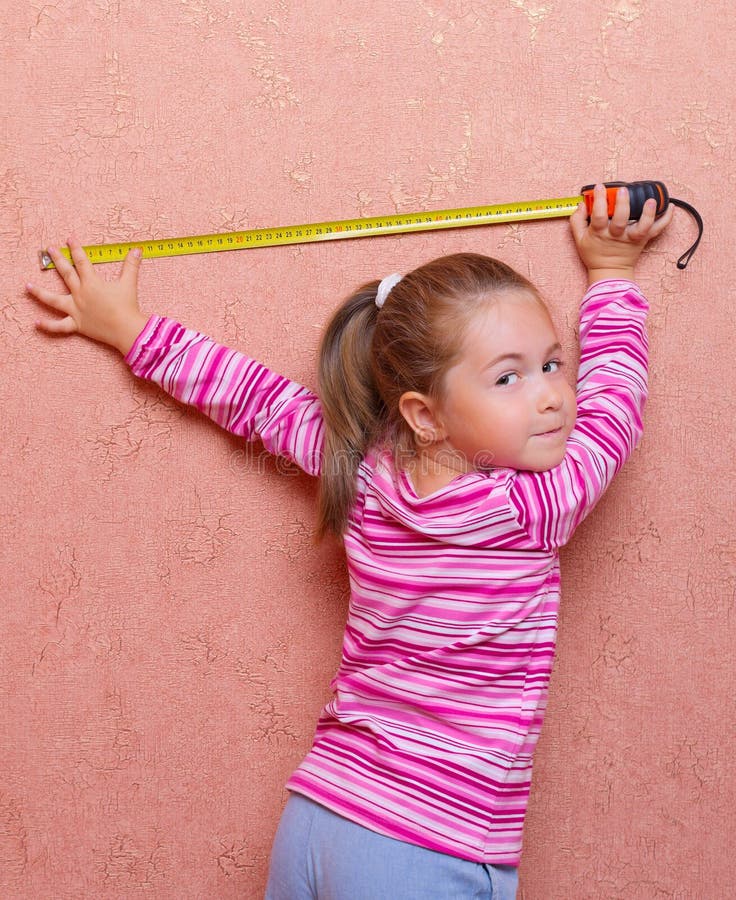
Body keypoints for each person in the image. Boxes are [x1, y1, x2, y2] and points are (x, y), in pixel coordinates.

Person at [26, 184, 673, 899]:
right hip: (430, 844)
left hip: (319, 819)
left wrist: (133, 332)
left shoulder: (361, 471)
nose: (552, 395)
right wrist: (612, 275)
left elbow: (257, 399)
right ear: (424, 415)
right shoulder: (535, 507)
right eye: (508, 377)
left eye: (553, 364)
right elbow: (615, 403)